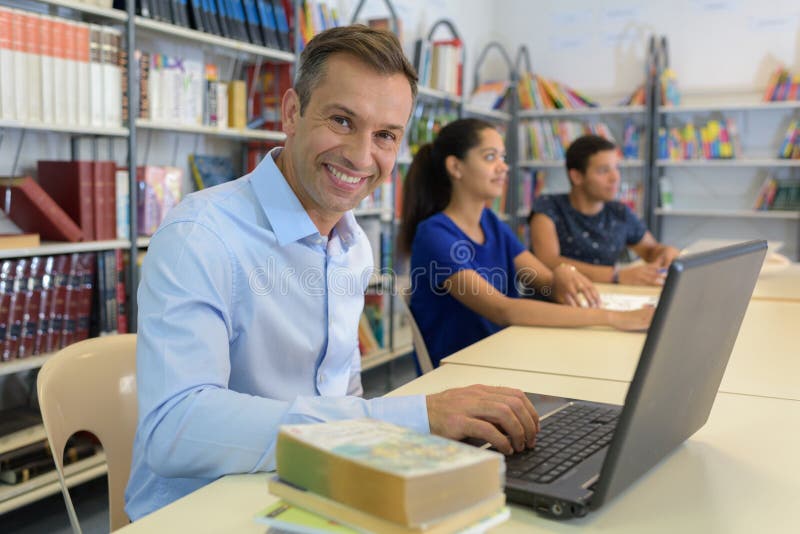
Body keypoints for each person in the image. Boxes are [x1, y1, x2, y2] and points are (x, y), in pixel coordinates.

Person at [125, 26, 541, 521]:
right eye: (342, 120)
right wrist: (412, 419)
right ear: (292, 113)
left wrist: (408, 452)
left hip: (313, 489)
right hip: (202, 513)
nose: (362, 157)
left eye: (385, 135)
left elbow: (341, 396)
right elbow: (175, 430)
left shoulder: (353, 245)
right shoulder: (200, 236)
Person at [399, 119, 654, 368]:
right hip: (462, 368)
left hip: (506, 353)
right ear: (455, 167)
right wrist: (613, 318)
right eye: (490, 157)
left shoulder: (491, 222)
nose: (504, 167)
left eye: (503, 157)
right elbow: (503, 310)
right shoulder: (434, 234)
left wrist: (562, 275)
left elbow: (544, 283)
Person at [529, 134, 680, 286]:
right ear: (576, 177)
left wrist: (664, 253)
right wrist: (615, 276)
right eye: (603, 170)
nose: (615, 177)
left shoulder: (619, 211)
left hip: (603, 299)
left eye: (616, 168)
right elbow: (548, 261)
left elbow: (649, 250)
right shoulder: (548, 207)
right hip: (554, 302)